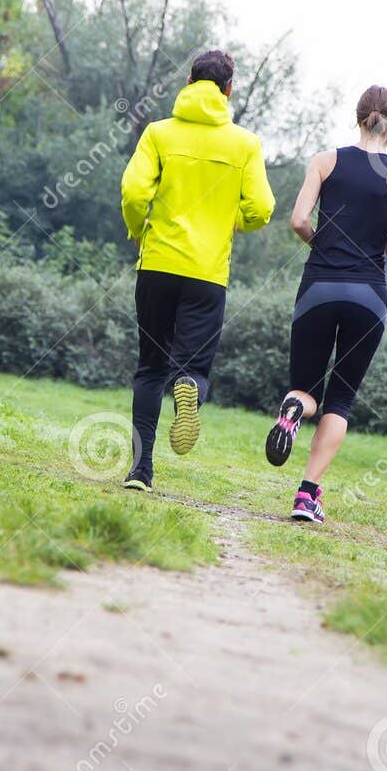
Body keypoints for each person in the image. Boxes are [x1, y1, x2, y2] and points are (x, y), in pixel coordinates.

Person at [118, 49, 276, 492]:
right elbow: (262, 208)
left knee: (149, 368)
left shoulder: (158, 133)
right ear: (229, 89)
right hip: (207, 273)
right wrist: (232, 222)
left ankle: (140, 471)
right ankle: (188, 384)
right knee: (194, 367)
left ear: (189, 81)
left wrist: (138, 228)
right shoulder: (245, 144)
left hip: (158, 264)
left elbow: (132, 190)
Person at [264, 85, 387, 522]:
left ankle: (292, 413)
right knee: (341, 398)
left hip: (318, 287)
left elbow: (297, 219)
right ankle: (306, 496)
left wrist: (324, 243)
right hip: (368, 295)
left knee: (305, 389)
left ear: (358, 118)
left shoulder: (324, 161)